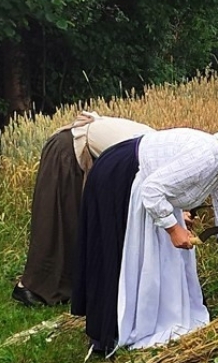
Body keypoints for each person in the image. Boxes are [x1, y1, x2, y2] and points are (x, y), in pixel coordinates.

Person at [71, 124, 218, 354]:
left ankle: (151, 317)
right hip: (121, 175)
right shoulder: (207, 157)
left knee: (160, 259)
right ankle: (111, 329)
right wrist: (173, 228)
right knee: (120, 253)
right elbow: (152, 190)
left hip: (153, 191)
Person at [14, 112, 154, 307]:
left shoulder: (157, 149)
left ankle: (79, 283)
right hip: (66, 153)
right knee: (58, 223)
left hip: (92, 156)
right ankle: (31, 288)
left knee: (83, 224)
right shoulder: (153, 157)